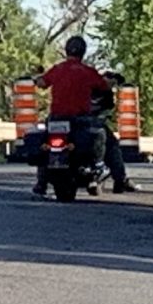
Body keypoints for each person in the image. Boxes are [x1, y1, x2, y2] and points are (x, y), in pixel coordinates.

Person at [40, 35, 134, 193]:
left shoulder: (57, 69)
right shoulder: (87, 72)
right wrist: (112, 81)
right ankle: (119, 179)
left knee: (46, 143)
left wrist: (37, 79)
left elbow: (42, 82)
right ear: (83, 52)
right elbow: (104, 86)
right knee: (109, 141)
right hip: (80, 120)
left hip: (56, 119)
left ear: (66, 50)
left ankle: (41, 182)